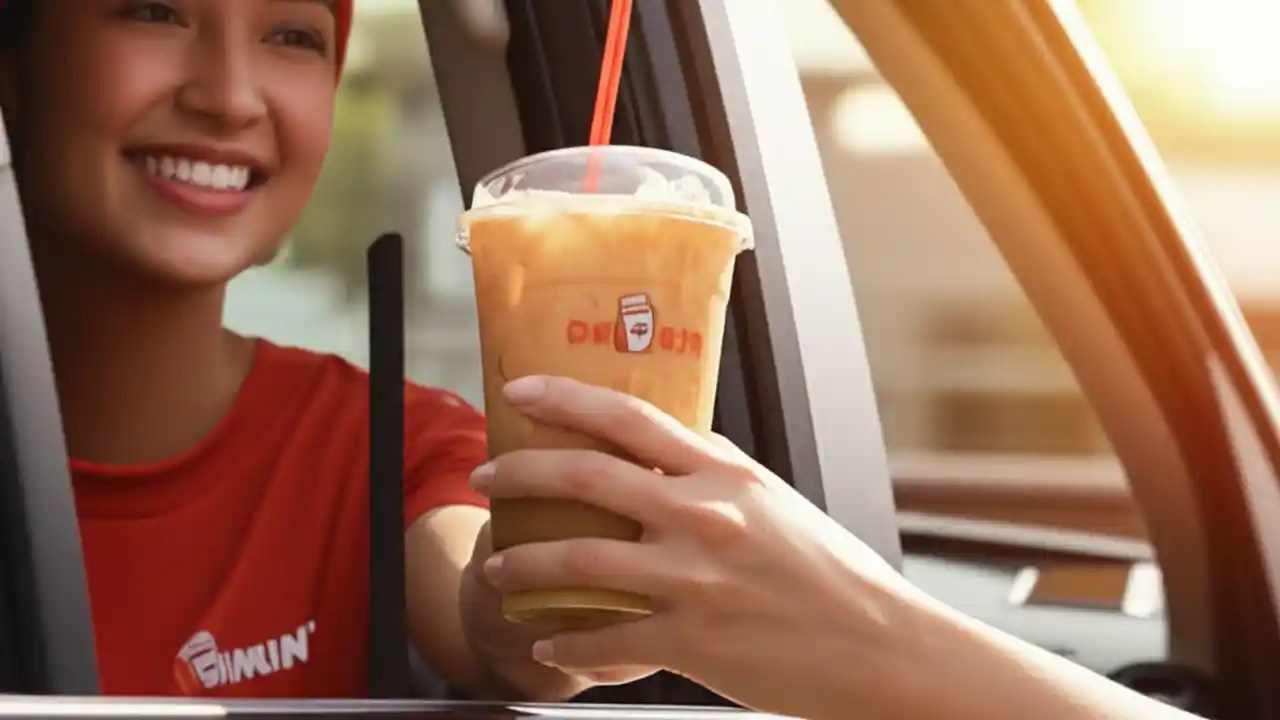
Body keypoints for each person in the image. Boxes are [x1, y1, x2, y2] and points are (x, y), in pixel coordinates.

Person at [0, 0, 651, 700]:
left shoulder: (392, 446)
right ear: (15, 69)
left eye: (291, 36)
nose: (228, 98)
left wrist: (534, 599)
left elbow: (486, 605)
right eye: (156, 13)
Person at [473, 375, 1207, 720]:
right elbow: (484, 634)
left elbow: (477, 631)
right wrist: (871, 636)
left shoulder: (414, 432)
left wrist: (868, 634)